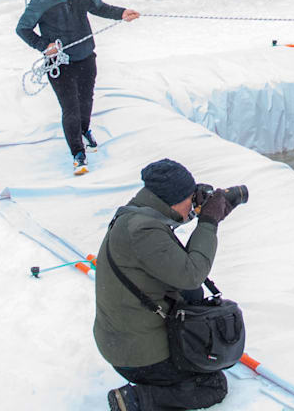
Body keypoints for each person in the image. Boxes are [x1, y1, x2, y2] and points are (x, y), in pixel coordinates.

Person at [95, 159, 235, 411]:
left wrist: (194, 206)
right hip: (137, 356)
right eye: (189, 198)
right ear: (173, 199)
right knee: (213, 384)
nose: (192, 204)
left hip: (122, 339)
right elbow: (192, 274)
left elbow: (167, 223)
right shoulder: (145, 231)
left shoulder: (137, 212)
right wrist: (208, 221)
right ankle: (137, 400)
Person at [14, 0, 139, 176]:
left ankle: (84, 130)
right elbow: (22, 29)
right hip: (60, 63)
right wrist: (44, 45)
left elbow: (100, 7)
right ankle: (77, 153)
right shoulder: (41, 1)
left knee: (86, 100)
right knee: (70, 107)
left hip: (86, 55)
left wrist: (122, 13)